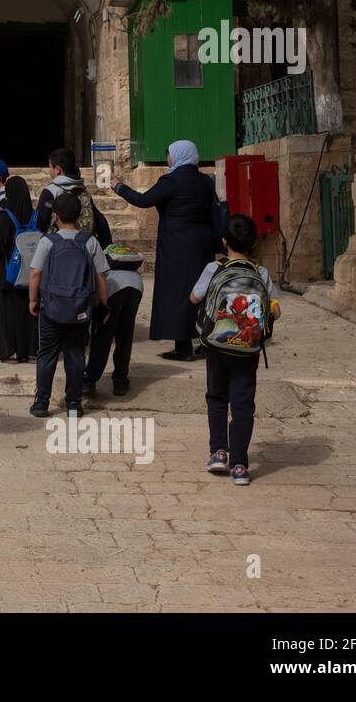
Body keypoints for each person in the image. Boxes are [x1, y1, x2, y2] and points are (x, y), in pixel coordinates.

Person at [189, 213, 281, 486]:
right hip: (248, 347)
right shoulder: (260, 272)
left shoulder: (213, 269)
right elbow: (274, 309)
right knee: (242, 404)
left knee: (216, 396)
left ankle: (218, 452)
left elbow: (194, 297)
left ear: (224, 241)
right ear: (253, 243)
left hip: (217, 345)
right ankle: (239, 465)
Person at [110, 139, 220, 361]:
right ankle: (207, 342)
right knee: (203, 291)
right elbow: (214, 213)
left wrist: (119, 187)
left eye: (169, 153)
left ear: (178, 155)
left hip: (177, 246)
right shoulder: (205, 181)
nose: (168, 157)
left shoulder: (171, 181)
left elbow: (143, 200)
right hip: (202, 244)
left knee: (178, 294)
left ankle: (183, 347)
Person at [28, 191, 109, 417]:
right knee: (75, 354)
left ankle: (41, 402)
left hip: (51, 307)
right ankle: (74, 404)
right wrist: (103, 304)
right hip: (80, 308)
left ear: (56, 215)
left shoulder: (48, 241)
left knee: (47, 354)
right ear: (79, 214)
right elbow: (102, 276)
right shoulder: (89, 241)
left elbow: (35, 273)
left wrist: (33, 300)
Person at [83, 244, 144, 396]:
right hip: (136, 285)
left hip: (113, 288)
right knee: (125, 335)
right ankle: (120, 381)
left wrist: (101, 309)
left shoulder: (99, 253)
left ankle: (90, 379)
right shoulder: (130, 267)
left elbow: (99, 280)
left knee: (103, 336)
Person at [0, 174, 38, 363]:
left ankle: (11, 352)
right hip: (32, 271)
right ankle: (32, 351)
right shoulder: (35, 215)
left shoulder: (5, 216)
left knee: (8, 313)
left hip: (10, 273)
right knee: (30, 312)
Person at [35, 147, 112, 247]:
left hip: (57, 251)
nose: (49, 171)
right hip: (84, 248)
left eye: (50, 167)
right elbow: (100, 221)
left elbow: (40, 223)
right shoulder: (84, 191)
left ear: (57, 169)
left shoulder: (50, 191)